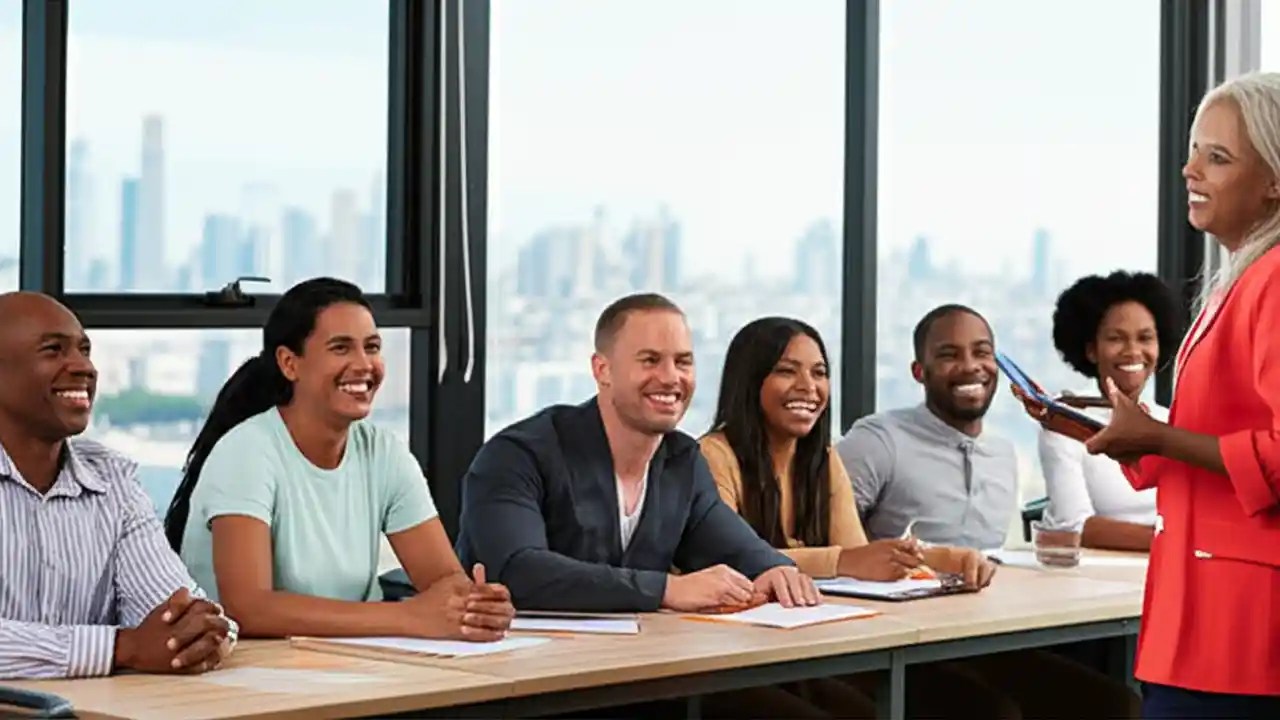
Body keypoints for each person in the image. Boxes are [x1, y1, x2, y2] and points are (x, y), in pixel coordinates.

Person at [1067, 72, 1280, 717]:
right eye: (1193, 151)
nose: (1191, 170)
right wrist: (1120, 435)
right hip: (1195, 613)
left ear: (1274, 180)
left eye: (1218, 158)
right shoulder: (1238, 278)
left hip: (1241, 632)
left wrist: (1156, 436)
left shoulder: (1273, 281)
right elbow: (1212, 441)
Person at [168, 278, 514, 641]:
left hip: (352, 667)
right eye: (341, 348)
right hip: (250, 676)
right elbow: (250, 609)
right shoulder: (246, 452)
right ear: (289, 363)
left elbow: (443, 581)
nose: (364, 364)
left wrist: (474, 607)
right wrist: (407, 616)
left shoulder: (385, 452)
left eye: (372, 347)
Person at [839, 304, 1138, 720]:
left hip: (978, 636)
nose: (969, 366)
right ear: (918, 371)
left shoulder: (1002, 452)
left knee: (1114, 703)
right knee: (993, 712)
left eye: (982, 353)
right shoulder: (877, 441)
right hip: (895, 642)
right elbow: (831, 543)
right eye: (948, 355)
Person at [455, 293, 817, 614]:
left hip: (636, 670)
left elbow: (734, 547)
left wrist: (774, 569)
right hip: (514, 674)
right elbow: (519, 572)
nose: (671, 377)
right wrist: (666, 590)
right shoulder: (517, 455)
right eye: (650, 360)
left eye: (683, 362)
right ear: (603, 370)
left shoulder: (682, 461)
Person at [0, 292, 233, 680]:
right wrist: (121, 647)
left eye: (84, 349)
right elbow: (139, 645)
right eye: (53, 350)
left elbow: (177, 611)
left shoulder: (112, 480)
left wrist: (200, 633)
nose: (84, 367)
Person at [702, 316, 995, 586]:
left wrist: (949, 560)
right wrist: (841, 561)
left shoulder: (822, 459)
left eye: (819, 373)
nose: (808, 386)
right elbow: (725, 558)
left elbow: (859, 556)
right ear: (750, 382)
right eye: (786, 371)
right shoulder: (712, 456)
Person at [1036, 271, 1179, 551]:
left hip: (1165, 573)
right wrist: (1174, 541)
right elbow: (1075, 526)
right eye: (1116, 339)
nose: (1133, 351)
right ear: (1091, 350)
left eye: (1145, 338)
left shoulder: (1170, 421)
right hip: (1095, 581)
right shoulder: (1065, 423)